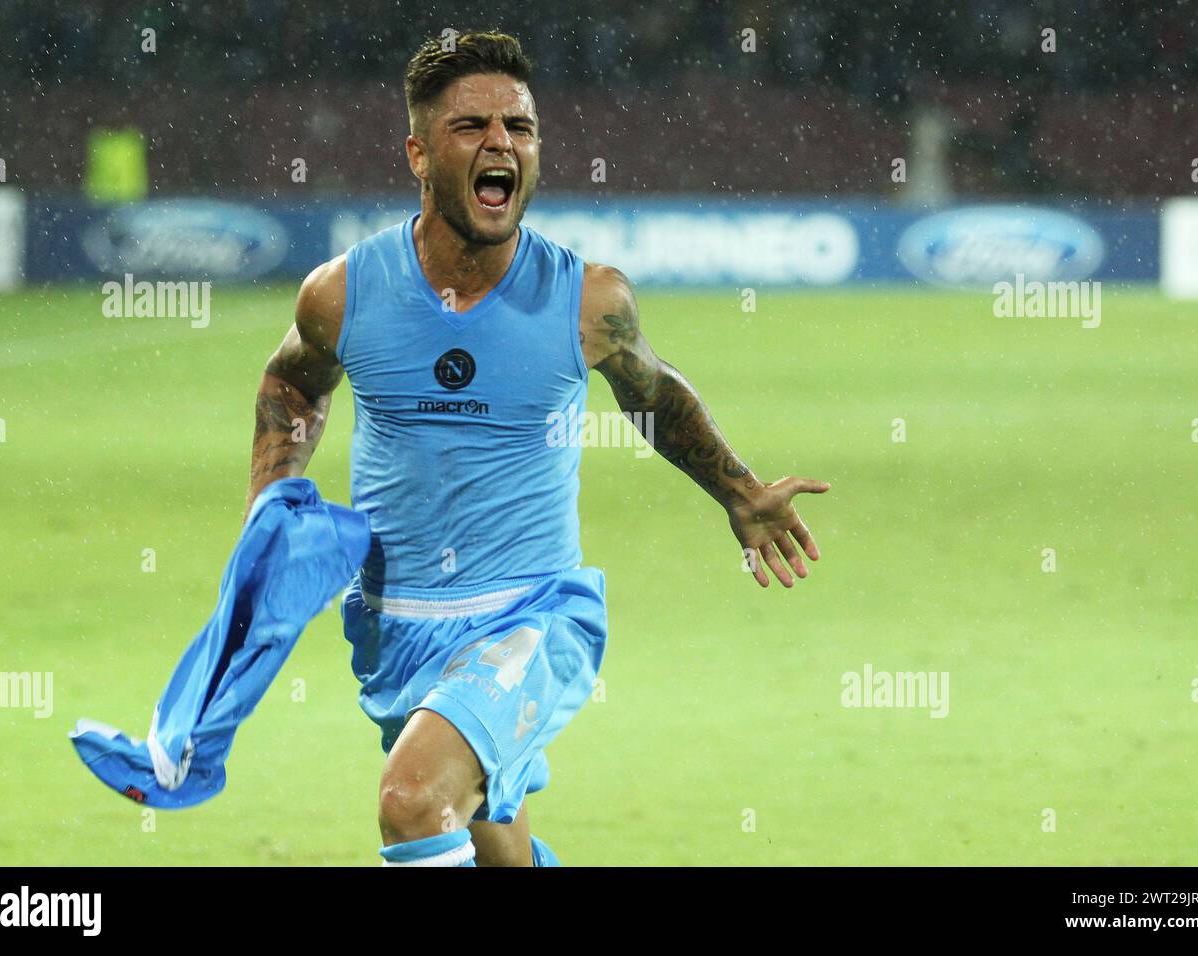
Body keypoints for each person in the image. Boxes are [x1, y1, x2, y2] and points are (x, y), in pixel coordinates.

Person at [243, 31, 829, 867]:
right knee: (496, 851)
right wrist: (271, 500)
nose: (501, 144)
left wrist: (739, 491)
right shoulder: (344, 294)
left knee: (413, 804)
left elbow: (652, 391)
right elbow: (293, 382)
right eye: (472, 126)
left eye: (519, 127)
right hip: (392, 623)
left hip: (531, 615)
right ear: (417, 152)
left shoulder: (588, 301)